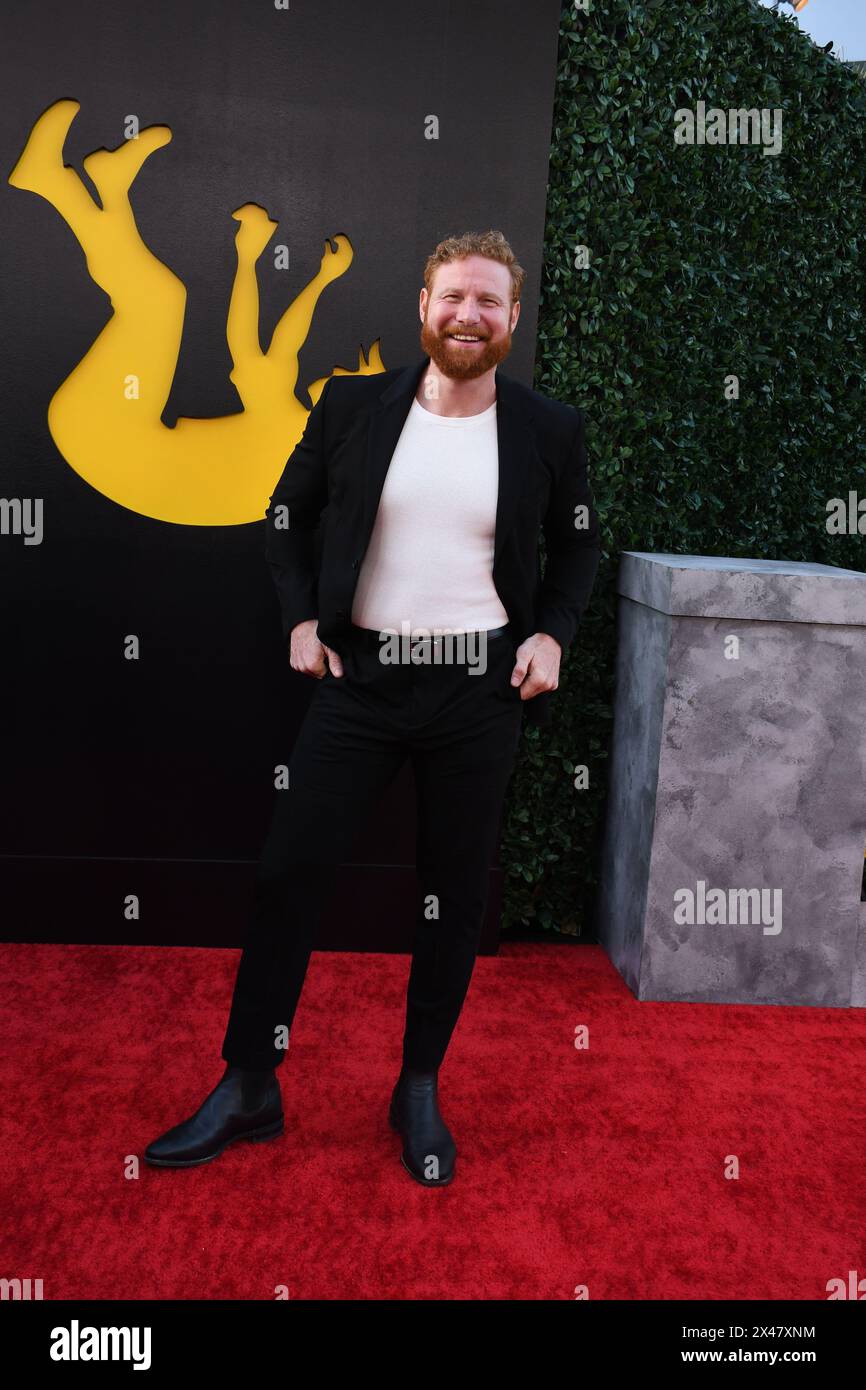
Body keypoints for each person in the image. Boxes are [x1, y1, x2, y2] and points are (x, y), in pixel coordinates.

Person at [145, 230, 601, 1185]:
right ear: (422, 307)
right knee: (287, 876)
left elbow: (578, 549)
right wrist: (303, 619)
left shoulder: (550, 429)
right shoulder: (352, 405)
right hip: (359, 682)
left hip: (479, 692)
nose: (468, 315)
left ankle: (419, 1088)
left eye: (487, 300)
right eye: (451, 297)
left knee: (453, 894)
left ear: (513, 319)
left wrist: (552, 634)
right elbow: (287, 517)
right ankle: (250, 1084)